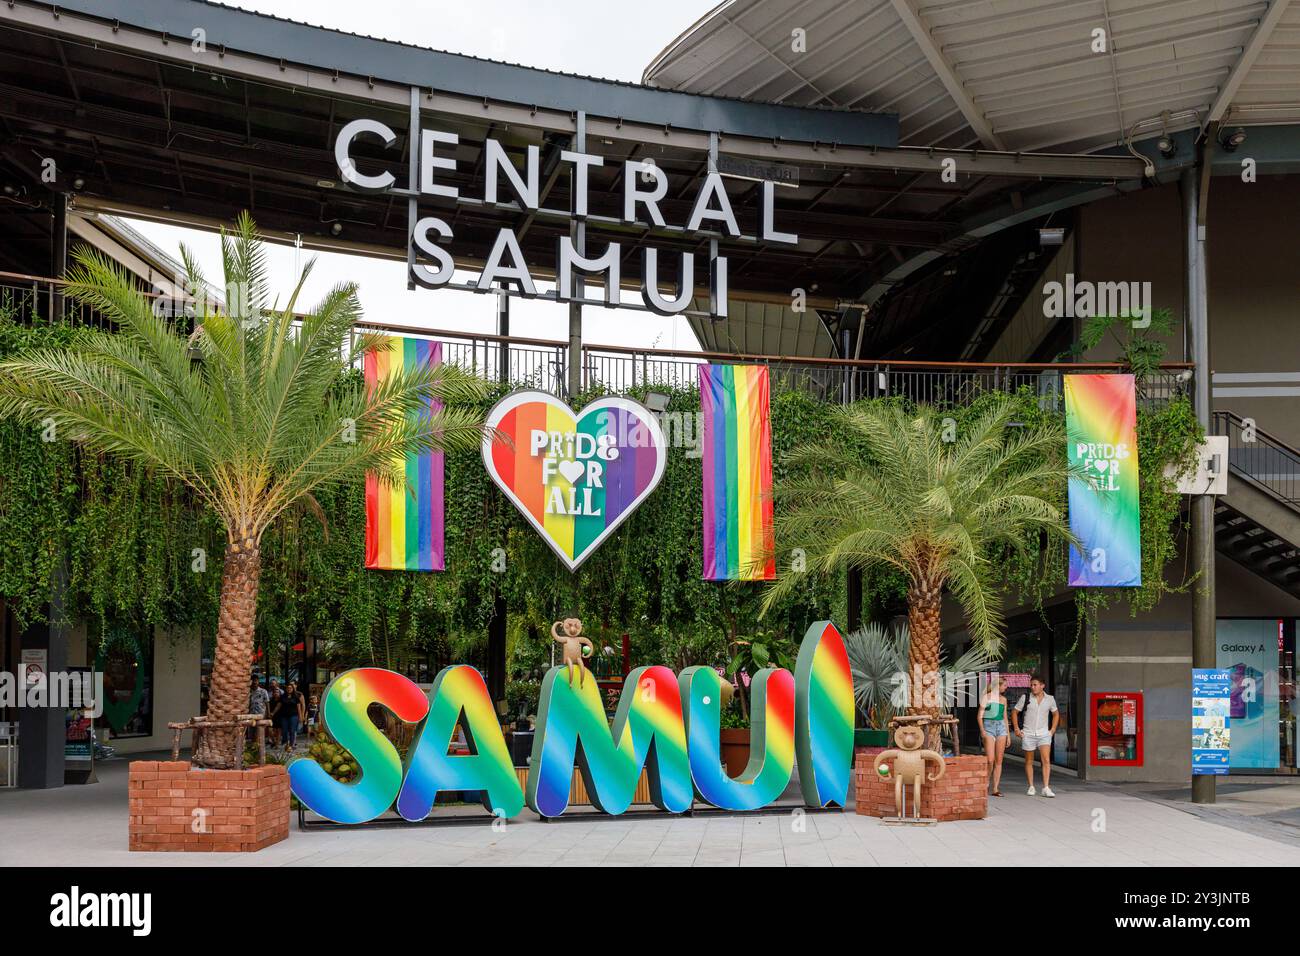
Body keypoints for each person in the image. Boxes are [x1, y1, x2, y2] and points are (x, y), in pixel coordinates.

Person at [1011, 675, 1059, 797]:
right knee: (1029, 761)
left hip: (1044, 734)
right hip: (1028, 733)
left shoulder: (1050, 699)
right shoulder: (1025, 697)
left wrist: (1052, 730)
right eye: (1031, 685)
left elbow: (1056, 714)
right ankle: (1031, 786)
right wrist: (1016, 729)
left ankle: (1046, 787)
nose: (1032, 687)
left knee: (1046, 760)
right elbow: (1015, 712)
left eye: (1035, 685)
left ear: (1042, 686)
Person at [979, 676, 1009, 796]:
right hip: (989, 728)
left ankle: (995, 788)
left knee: (999, 760)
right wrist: (982, 730)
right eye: (1005, 685)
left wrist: (1008, 735)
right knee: (990, 759)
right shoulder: (987, 697)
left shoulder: (1004, 699)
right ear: (998, 685)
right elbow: (979, 716)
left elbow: (1005, 718)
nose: (1006, 687)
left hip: (1001, 728)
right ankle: (986, 782)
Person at [275, 681, 306, 752]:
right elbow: (278, 705)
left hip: (294, 716)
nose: (289, 689)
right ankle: (286, 743)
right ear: (286, 689)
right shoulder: (283, 696)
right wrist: (273, 713)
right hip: (284, 716)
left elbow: (299, 706)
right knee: (284, 731)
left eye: (290, 688)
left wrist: (301, 716)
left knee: (292, 731)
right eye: (288, 688)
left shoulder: (296, 696)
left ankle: (291, 745)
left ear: (293, 688)